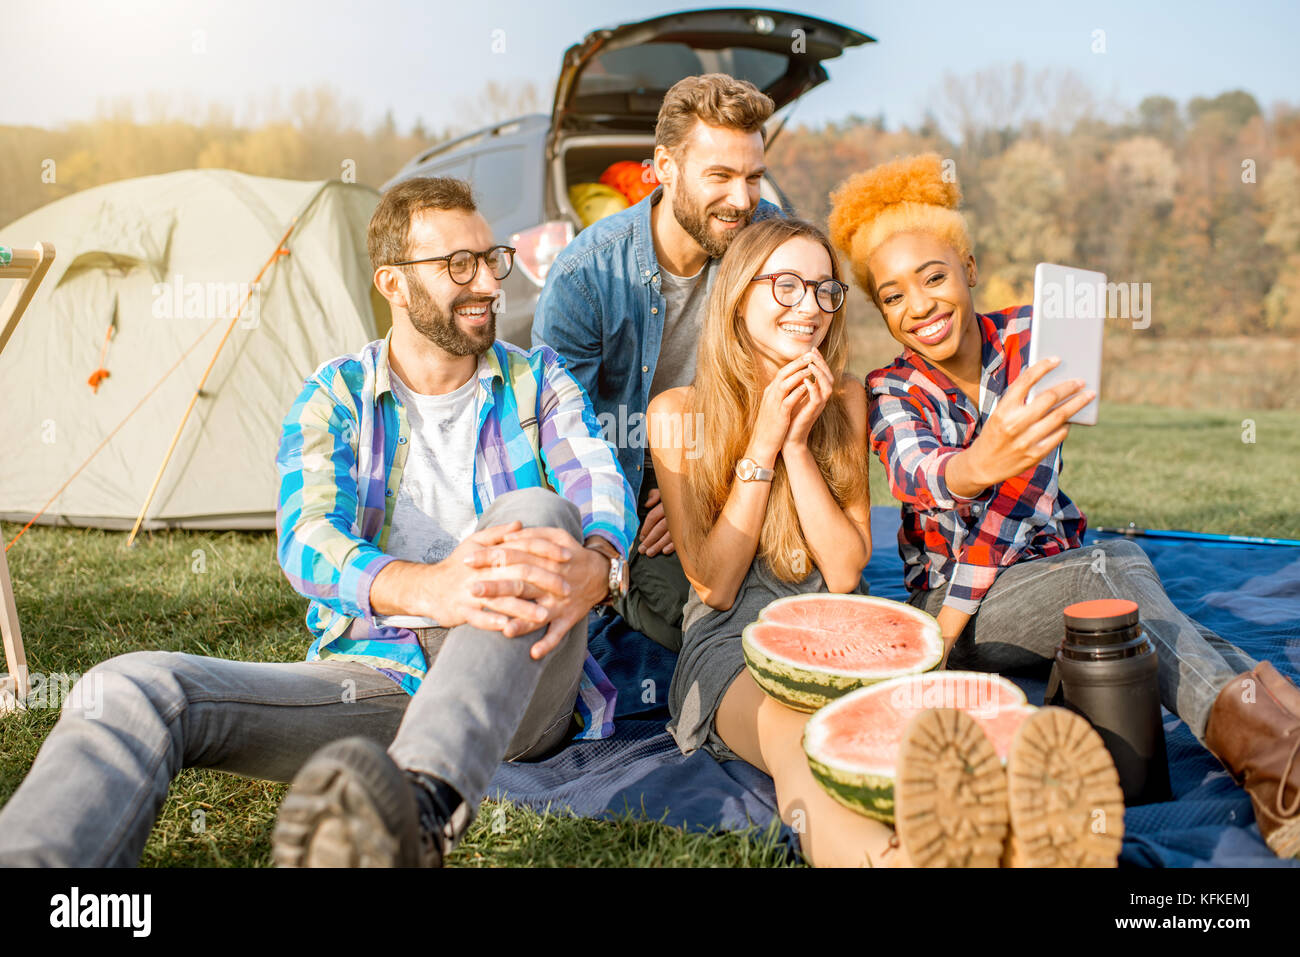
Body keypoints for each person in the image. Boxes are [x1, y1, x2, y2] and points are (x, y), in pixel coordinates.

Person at [0, 177, 637, 868]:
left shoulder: (539, 381)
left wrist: (602, 562)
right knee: (128, 685)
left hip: (520, 685)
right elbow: (306, 539)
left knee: (537, 514)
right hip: (374, 676)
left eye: (493, 258)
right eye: (459, 264)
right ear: (393, 282)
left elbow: (600, 481)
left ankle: (418, 802)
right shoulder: (334, 393)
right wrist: (432, 589)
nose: (487, 280)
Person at [828, 152, 1300, 861]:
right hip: (957, 603)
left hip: (1057, 562)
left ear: (969, 267)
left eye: (933, 277)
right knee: (1111, 572)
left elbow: (1027, 487)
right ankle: (1278, 768)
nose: (919, 307)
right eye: (892, 296)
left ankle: (1284, 744)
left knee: (1131, 590)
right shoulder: (891, 388)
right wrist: (950, 620)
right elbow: (921, 473)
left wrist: (999, 465)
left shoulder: (1040, 334)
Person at [648, 215, 1118, 868]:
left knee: (910, 740)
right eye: (786, 287)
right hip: (732, 635)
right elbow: (715, 582)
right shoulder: (677, 413)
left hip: (848, 623)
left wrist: (795, 447)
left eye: (823, 290)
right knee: (803, 746)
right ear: (737, 294)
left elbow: (842, 571)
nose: (809, 307)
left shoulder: (843, 398)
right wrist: (762, 440)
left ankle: (1018, 837)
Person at [533, 73, 783, 652]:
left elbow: (793, 375)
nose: (743, 199)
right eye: (719, 176)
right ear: (665, 167)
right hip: (631, 485)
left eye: (753, 177)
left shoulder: (769, 239)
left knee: (804, 590)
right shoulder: (586, 276)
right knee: (711, 617)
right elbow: (561, 436)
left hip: (739, 465)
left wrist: (704, 490)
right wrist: (663, 501)